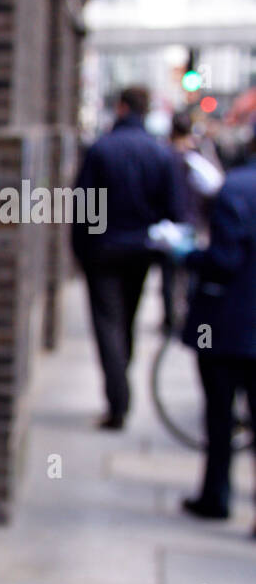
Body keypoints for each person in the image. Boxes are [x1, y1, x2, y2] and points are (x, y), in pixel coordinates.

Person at [72, 86, 187, 429]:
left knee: (108, 322)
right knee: (126, 318)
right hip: (140, 250)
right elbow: (175, 211)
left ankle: (117, 400)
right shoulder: (161, 153)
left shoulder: (101, 150)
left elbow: (83, 206)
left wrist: (80, 250)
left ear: (121, 107)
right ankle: (121, 383)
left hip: (103, 249)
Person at [169, 133, 256, 534]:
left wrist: (188, 254)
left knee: (220, 415)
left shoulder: (235, 189)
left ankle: (216, 496)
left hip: (229, 324)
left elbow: (223, 260)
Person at [164, 113, 224, 329]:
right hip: (191, 219)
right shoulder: (196, 155)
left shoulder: (167, 154)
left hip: (171, 221)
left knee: (171, 272)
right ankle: (184, 314)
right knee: (187, 270)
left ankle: (171, 317)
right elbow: (215, 184)